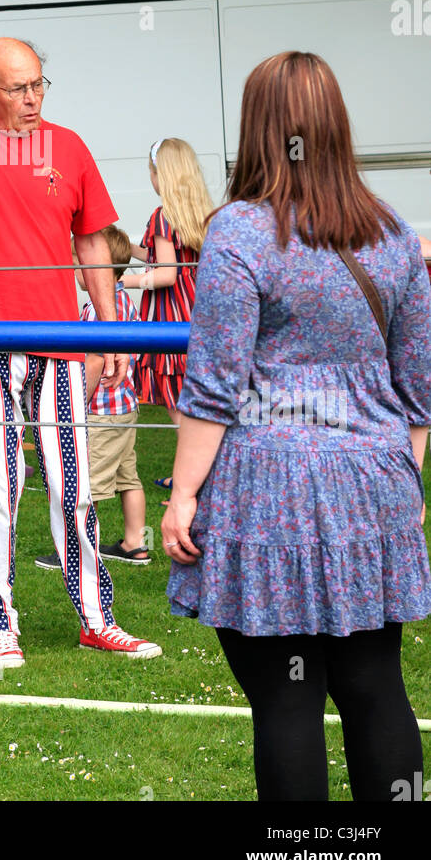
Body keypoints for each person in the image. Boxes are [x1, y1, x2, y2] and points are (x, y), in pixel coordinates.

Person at [161, 51, 431, 803]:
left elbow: (215, 386)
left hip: (268, 488)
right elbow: (421, 390)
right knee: (377, 686)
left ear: (258, 129)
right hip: (374, 481)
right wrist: (408, 482)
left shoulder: (240, 234)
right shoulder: (396, 234)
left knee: (287, 698)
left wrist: (183, 495)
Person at [0, 38, 162, 668]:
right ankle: (0, 625)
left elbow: (93, 244)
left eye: (39, 85)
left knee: (76, 485)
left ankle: (96, 618)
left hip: (59, 342)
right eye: (17, 88)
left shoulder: (70, 146)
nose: (32, 99)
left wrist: (108, 333)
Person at [37, 227, 150, 570]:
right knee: (128, 477)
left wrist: (75, 405)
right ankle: (135, 543)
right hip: (125, 408)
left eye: (77, 262)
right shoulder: (125, 303)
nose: (74, 270)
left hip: (101, 412)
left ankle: (76, 551)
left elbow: (97, 359)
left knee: (89, 483)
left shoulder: (96, 310)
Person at [124, 137, 213, 492]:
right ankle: (190, 478)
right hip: (197, 310)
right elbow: (158, 257)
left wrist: (123, 281)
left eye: (151, 171)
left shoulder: (163, 215)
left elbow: (165, 273)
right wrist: (120, 243)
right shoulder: (199, 213)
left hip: (171, 313)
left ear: (162, 174)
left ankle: (196, 487)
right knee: (197, 400)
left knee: (180, 408)